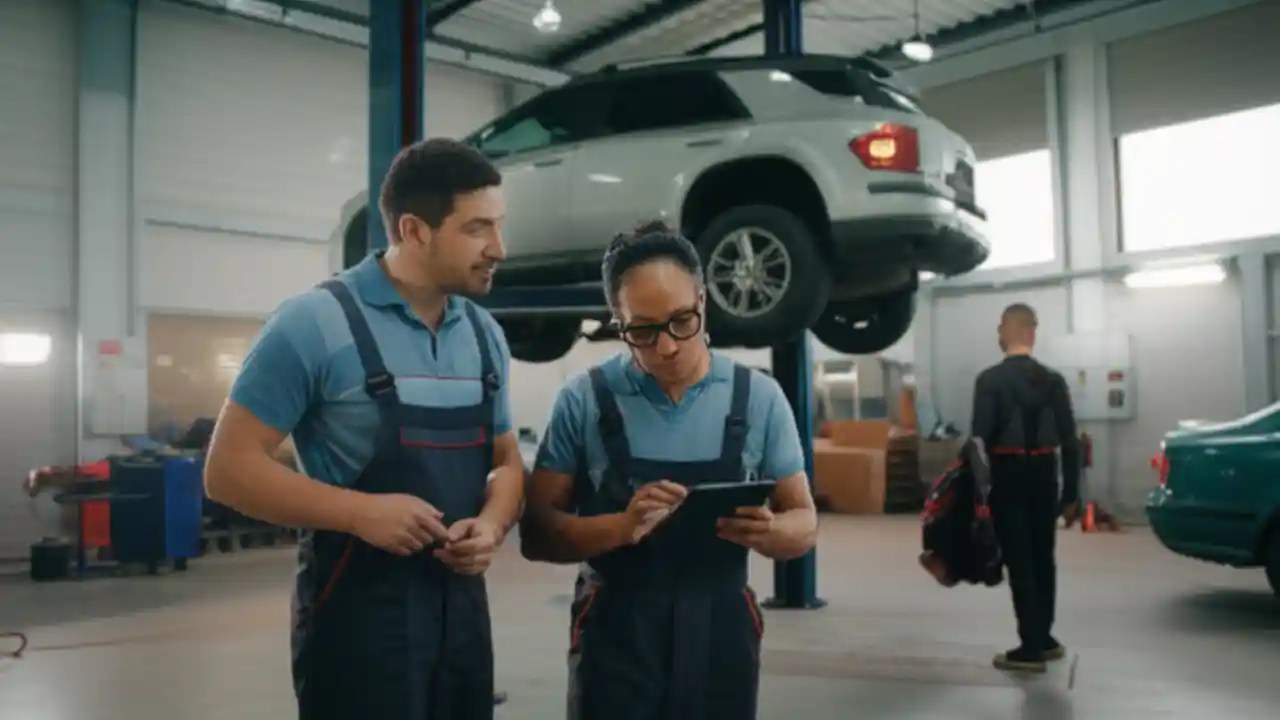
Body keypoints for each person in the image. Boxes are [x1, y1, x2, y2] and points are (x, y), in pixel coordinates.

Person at [204, 138, 524, 719]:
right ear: (414, 230)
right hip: (357, 622)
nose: (498, 248)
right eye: (477, 229)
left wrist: (494, 523)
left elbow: (505, 460)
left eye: (499, 226)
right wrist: (359, 513)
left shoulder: (484, 336)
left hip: (461, 618)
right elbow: (228, 470)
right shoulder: (313, 323)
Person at [520, 221, 819, 720]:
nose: (667, 347)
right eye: (642, 330)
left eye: (682, 321)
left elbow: (804, 522)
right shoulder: (584, 400)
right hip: (617, 634)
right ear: (617, 321)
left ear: (703, 300)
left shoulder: (758, 399)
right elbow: (537, 533)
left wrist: (772, 533)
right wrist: (620, 527)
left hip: (722, 630)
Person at [971, 303, 1081, 674]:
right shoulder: (1054, 381)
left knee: (1019, 560)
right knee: (1043, 558)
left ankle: (1030, 648)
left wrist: (975, 494)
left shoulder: (990, 381)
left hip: (1009, 476)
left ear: (1008, 331)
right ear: (1032, 333)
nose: (997, 334)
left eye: (1000, 327)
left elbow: (978, 442)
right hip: (1046, 475)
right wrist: (1071, 495)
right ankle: (1044, 638)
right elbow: (1070, 440)